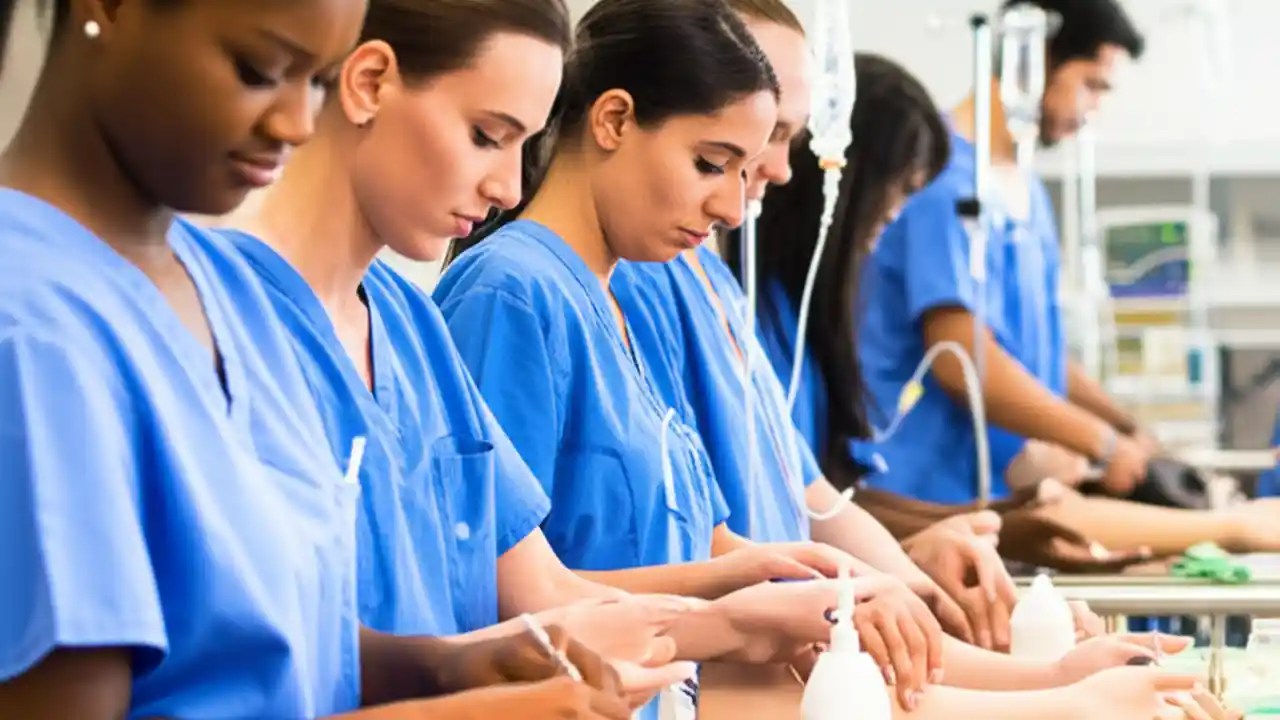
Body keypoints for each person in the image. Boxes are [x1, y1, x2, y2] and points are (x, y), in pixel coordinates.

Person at [0, 0, 669, 717]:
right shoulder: (33, 324)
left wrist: (445, 667)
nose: (296, 123)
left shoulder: (218, 291)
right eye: (260, 70)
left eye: (317, 82)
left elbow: (258, 638)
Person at [215, 0, 877, 708]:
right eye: (485, 136)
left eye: (519, 143)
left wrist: (736, 616)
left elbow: (540, 596)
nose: (506, 186)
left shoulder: (410, 329)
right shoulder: (224, 322)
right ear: (370, 81)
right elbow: (251, 665)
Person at [615, 0, 1039, 654]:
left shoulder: (721, 288)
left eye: (789, 134)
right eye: (770, 134)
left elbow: (800, 493)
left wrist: (908, 588)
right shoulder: (608, 284)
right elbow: (547, 583)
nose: (781, 166)